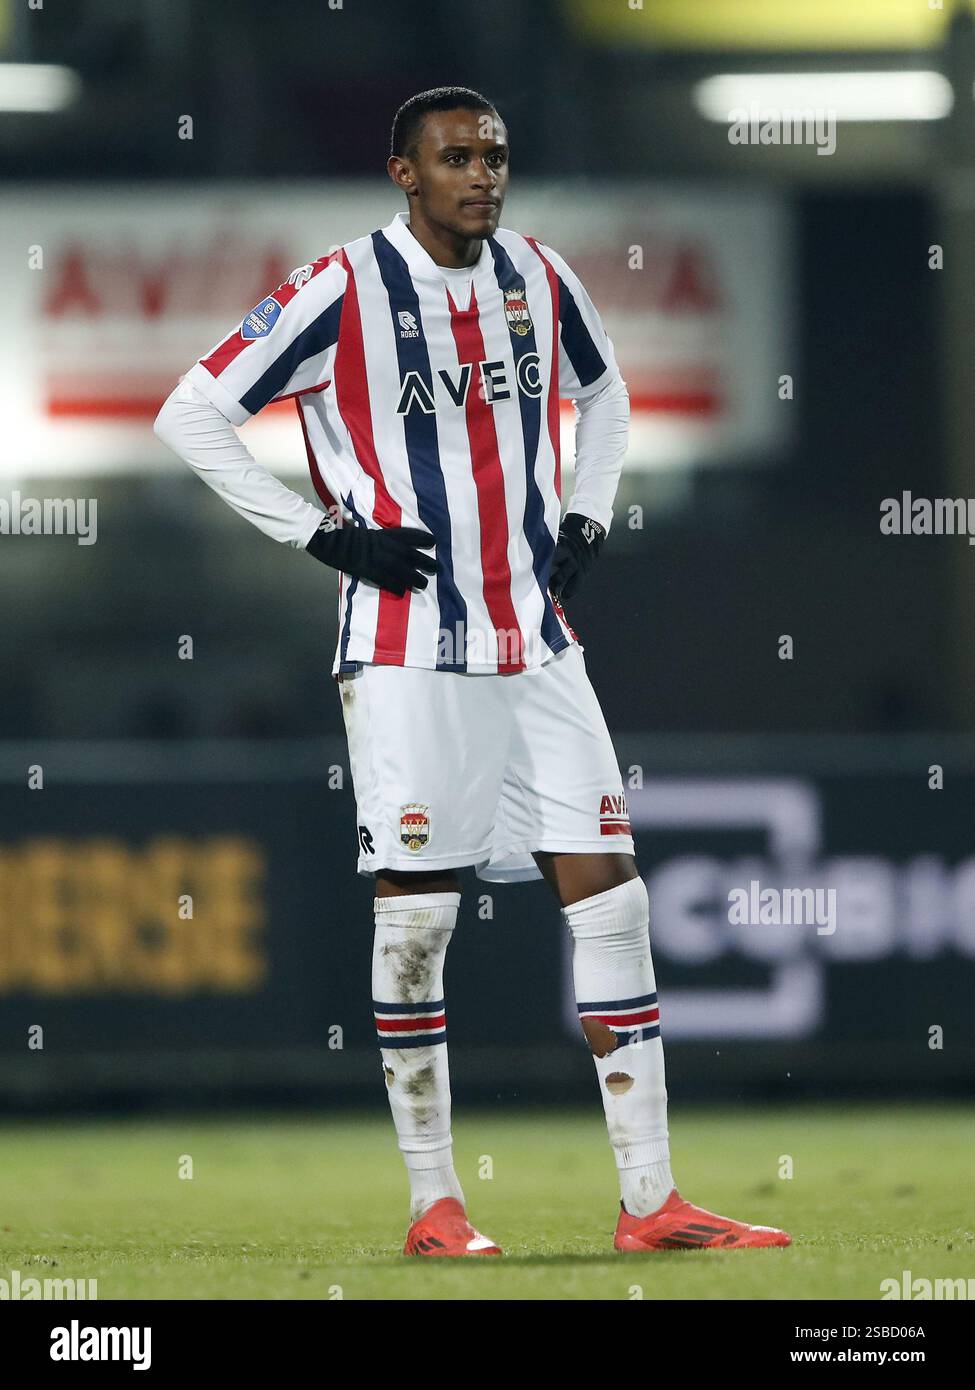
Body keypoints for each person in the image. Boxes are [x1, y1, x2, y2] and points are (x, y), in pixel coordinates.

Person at [154, 85, 790, 1257]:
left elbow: (603, 397)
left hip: (536, 639)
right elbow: (192, 409)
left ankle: (652, 1201)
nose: (482, 175)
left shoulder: (540, 277)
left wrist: (588, 517)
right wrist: (318, 534)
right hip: (405, 650)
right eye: (456, 157)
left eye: (495, 155)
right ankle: (434, 1207)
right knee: (419, 922)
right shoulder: (343, 287)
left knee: (614, 897)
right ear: (405, 173)